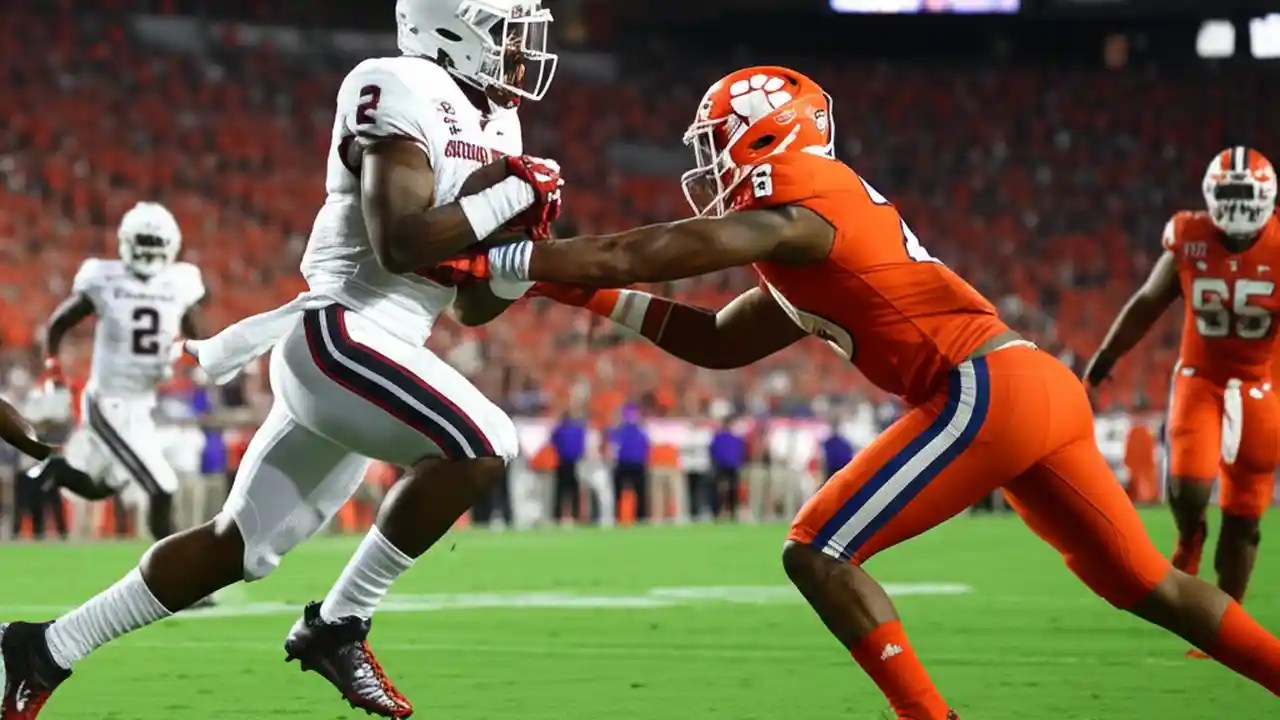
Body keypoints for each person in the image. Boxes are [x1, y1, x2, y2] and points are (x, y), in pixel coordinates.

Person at [434, 67, 1280, 716]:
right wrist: (569, 290)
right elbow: (717, 342)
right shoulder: (806, 236)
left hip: (985, 387)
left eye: (718, 139)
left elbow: (643, 252)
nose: (708, 159)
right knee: (1150, 589)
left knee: (816, 546)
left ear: (767, 137)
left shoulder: (802, 204)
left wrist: (512, 258)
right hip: (1027, 387)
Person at [0, 1, 560, 718]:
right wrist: (512, 194)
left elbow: (470, 307)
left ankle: (40, 650)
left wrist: (519, 255)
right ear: (452, 26)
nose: (521, 54)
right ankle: (339, 623)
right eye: (508, 35)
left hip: (384, 354)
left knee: (235, 548)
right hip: (340, 334)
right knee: (487, 442)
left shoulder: (502, 123)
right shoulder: (398, 83)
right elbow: (399, 243)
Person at [1084, 148, 1279, 628]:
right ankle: (1189, 536)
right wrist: (1107, 356)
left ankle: (1227, 624)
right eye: (1228, 194)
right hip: (1200, 377)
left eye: (1244, 194)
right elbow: (1148, 300)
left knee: (1244, 515)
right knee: (1187, 485)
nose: (1235, 206)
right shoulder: (1190, 237)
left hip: (1260, 383)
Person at [26, 202, 206, 542]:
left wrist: (205, 353)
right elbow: (59, 323)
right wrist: (52, 368)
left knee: (101, 486)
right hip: (109, 402)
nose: (150, 250)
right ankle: (179, 579)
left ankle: (56, 470)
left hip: (141, 405)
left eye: (155, 242)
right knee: (162, 487)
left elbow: (194, 324)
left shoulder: (179, 283)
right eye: (145, 241)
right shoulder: (104, 279)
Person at [548, 410, 586, 523]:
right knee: (573, 490)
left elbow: (552, 441)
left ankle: (559, 516)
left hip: (562, 462)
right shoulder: (578, 429)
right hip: (574, 462)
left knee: (561, 490)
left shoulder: (560, 429)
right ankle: (575, 515)